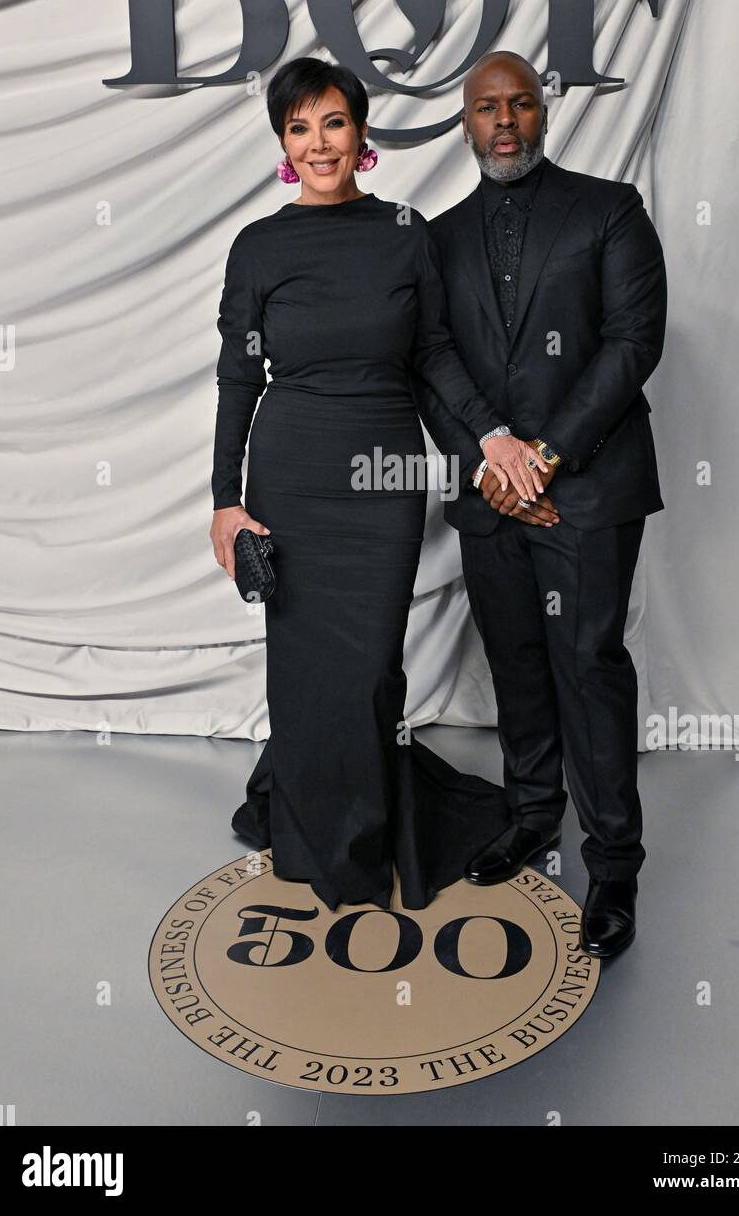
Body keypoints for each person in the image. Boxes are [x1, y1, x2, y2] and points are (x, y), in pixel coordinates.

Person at [209, 56, 548, 914]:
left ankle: (369, 831)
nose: (317, 142)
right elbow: (239, 380)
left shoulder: (406, 230)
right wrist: (225, 501)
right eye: (298, 127)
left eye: (332, 122)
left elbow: (434, 352)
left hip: (382, 480)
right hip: (289, 477)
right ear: (284, 144)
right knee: (304, 670)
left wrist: (493, 437)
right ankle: (318, 839)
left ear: (361, 134)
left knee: (366, 671)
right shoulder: (258, 248)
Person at [410, 51, 667, 957]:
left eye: (520, 104)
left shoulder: (610, 211)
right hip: (491, 497)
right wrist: (497, 464)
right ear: (465, 121)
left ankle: (614, 865)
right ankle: (529, 816)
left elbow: (633, 345)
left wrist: (546, 460)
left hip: (589, 493)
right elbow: (429, 361)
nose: (506, 120)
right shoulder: (434, 240)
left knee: (587, 668)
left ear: (543, 115)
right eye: (487, 108)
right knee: (516, 662)